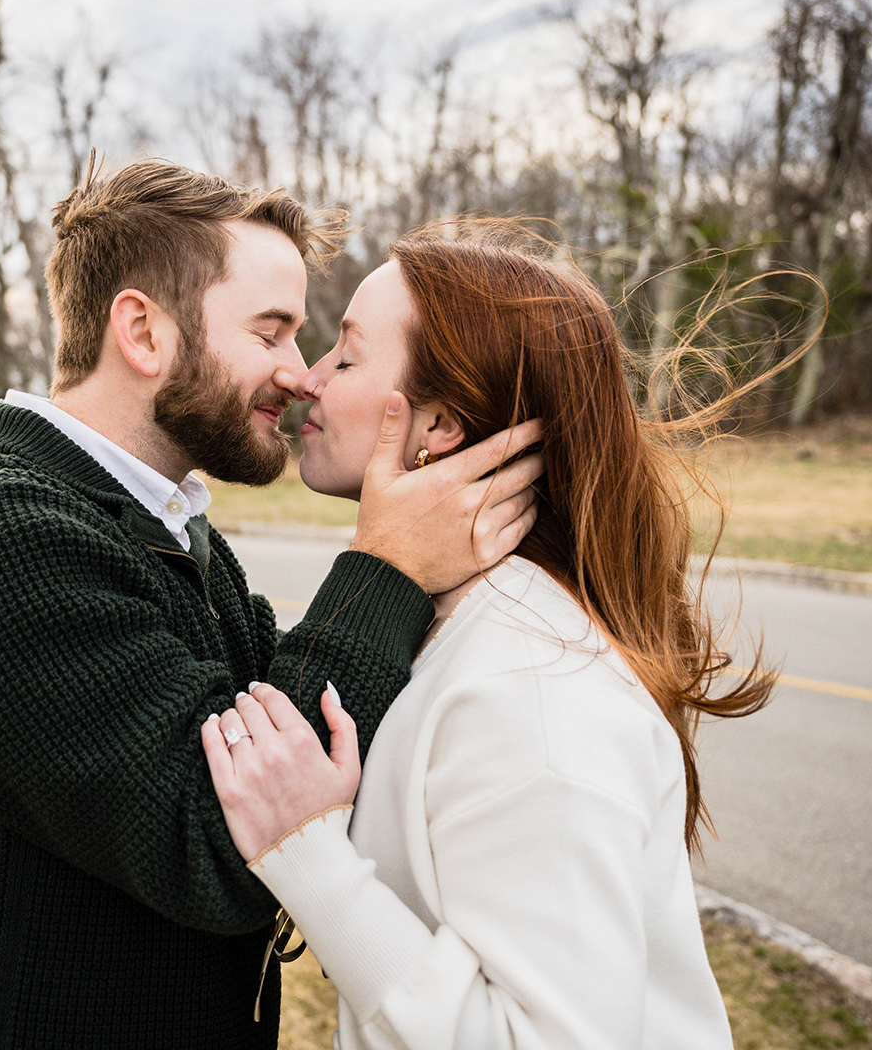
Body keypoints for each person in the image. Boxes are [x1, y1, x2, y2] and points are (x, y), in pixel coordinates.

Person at [0, 161, 545, 1049]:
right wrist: (385, 566)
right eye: (272, 333)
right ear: (144, 331)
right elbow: (225, 844)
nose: (300, 376)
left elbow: (287, 724)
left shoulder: (167, 528)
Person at [203, 228, 776, 1049]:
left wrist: (312, 861)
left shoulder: (531, 692)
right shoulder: (455, 635)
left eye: (349, 356)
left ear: (438, 423)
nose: (307, 377)